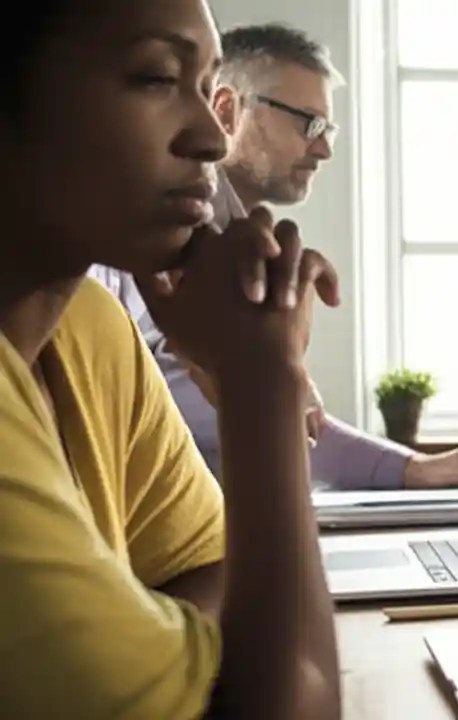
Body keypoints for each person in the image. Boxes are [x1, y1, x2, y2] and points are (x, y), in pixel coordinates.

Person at [0, 0, 340, 716]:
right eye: (156, 78)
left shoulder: (92, 327)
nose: (212, 140)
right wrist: (263, 381)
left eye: (206, 87)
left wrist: (155, 635)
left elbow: (214, 564)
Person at [88, 23, 458, 491]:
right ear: (227, 111)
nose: (324, 149)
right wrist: (275, 386)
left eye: (328, 130)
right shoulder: (144, 243)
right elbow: (179, 397)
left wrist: (407, 467)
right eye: (309, 124)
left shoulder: (230, 242)